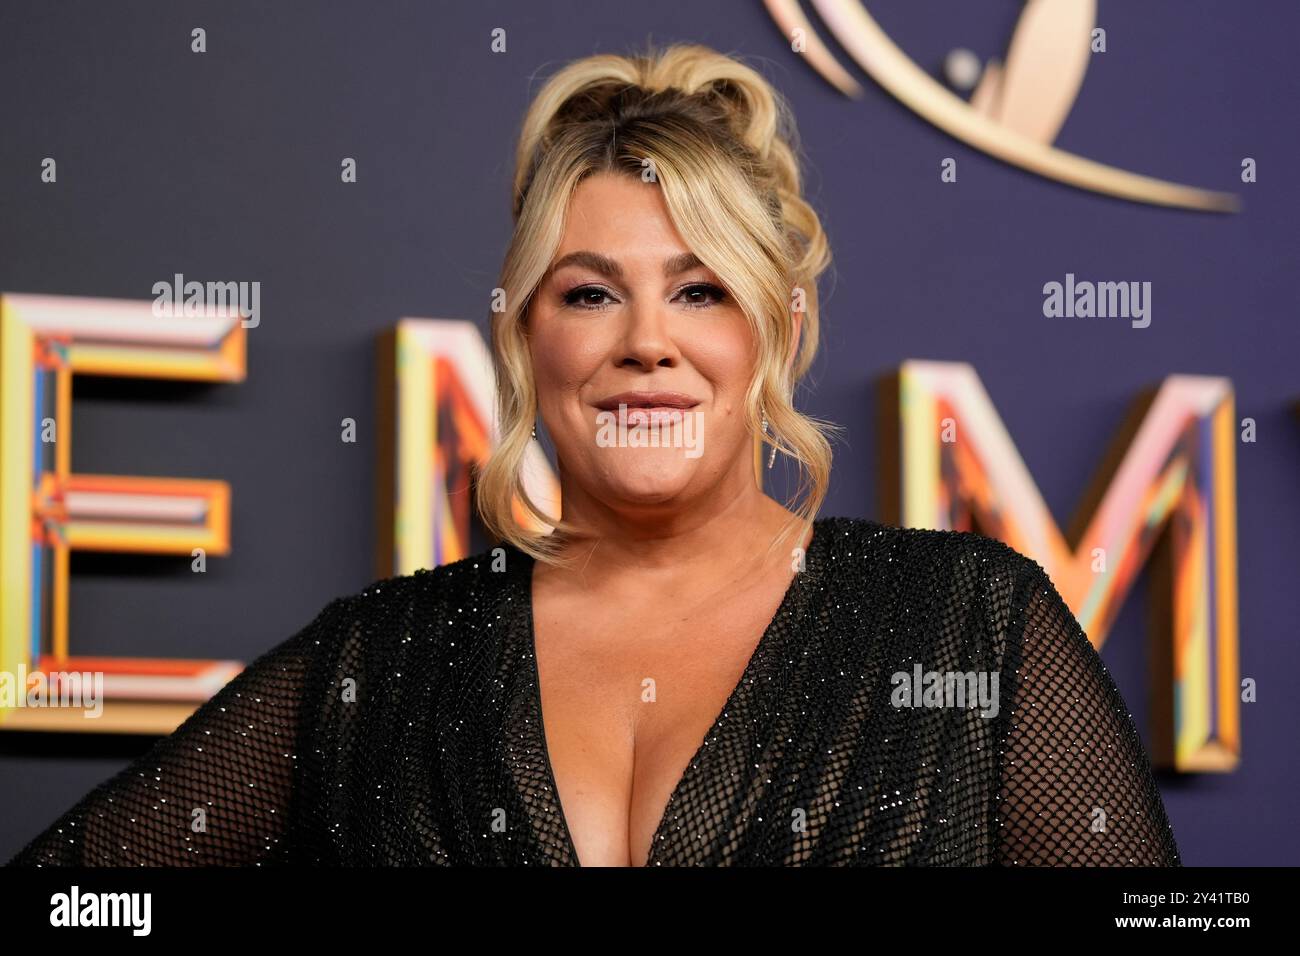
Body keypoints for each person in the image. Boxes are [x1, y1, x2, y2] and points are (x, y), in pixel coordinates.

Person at [7, 43, 1179, 867]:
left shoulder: (968, 624)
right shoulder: (379, 661)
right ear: (522, 330)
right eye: (589, 292)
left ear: (782, 326)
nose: (647, 344)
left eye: (700, 290)